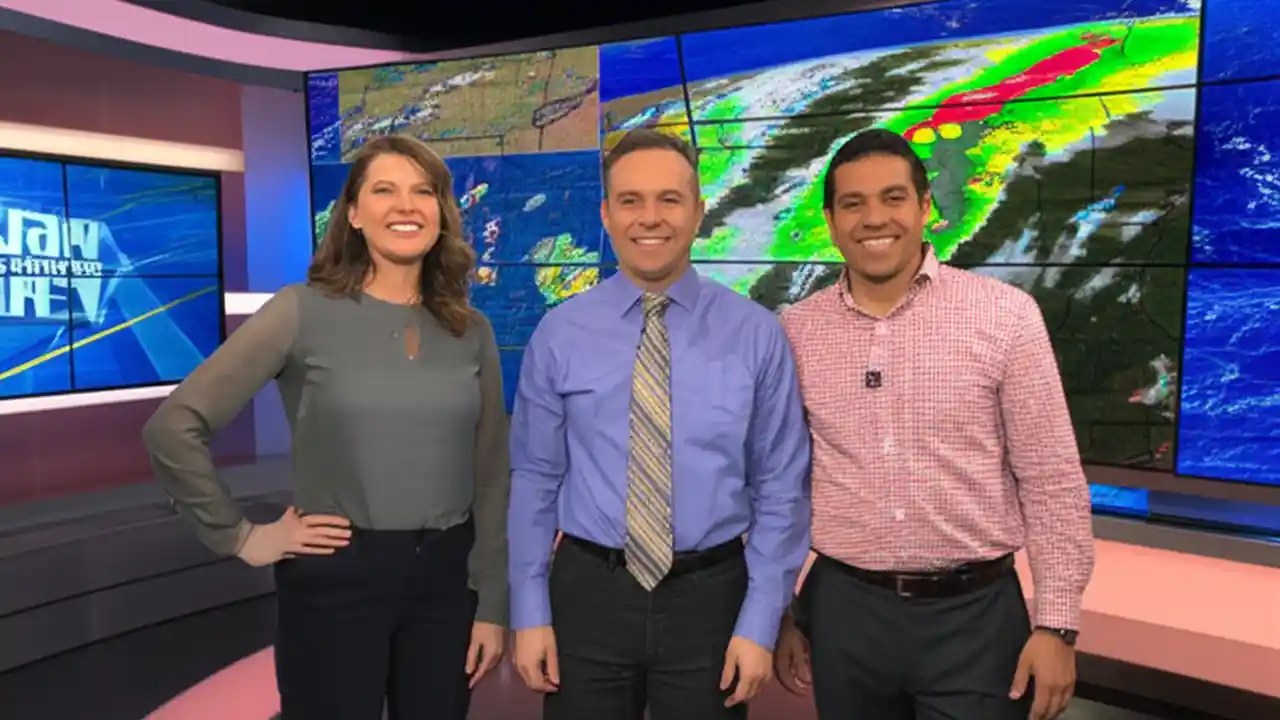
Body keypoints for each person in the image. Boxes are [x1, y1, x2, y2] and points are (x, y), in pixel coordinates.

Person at [142, 135, 510, 720]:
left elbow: (491, 473)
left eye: (423, 192)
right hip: (338, 576)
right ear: (355, 214)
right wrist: (241, 536)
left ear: (441, 213)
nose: (405, 206)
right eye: (384, 190)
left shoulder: (473, 331)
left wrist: (492, 600)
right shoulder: (299, 311)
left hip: (448, 584)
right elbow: (173, 426)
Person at [773, 128, 1095, 720]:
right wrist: (778, 611)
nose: (875, 219)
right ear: (830, 219)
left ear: (926, 208)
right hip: (844, 613)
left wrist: (1057, 626)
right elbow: (779, 487)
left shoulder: (1005, 317)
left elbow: (1051, 478)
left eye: (893, 198)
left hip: (976, 620)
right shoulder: (795, 331)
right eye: (853, 203)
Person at [507, 128, 812, 720]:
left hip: (713, 598)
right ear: (606, 214)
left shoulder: (756, 335)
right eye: (631, 200)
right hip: (587, 594)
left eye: (670, 200)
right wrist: (529, 608)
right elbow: (535, 479)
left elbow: (781, 485)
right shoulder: (560, 334)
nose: (651, 218)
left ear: (699, 212)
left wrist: (761, 619)